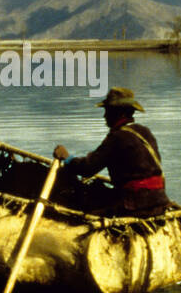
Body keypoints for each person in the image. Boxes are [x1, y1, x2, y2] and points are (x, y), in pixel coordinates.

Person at [54, 87, 172, 216]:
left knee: (82, 199)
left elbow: (88, 168)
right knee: (98, 188)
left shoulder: (117, 137)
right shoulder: (145, 132)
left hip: (135, 205)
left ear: (120, 113)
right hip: (159, 201)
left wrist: (67, 157)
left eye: (108, 111)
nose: (105, 116)